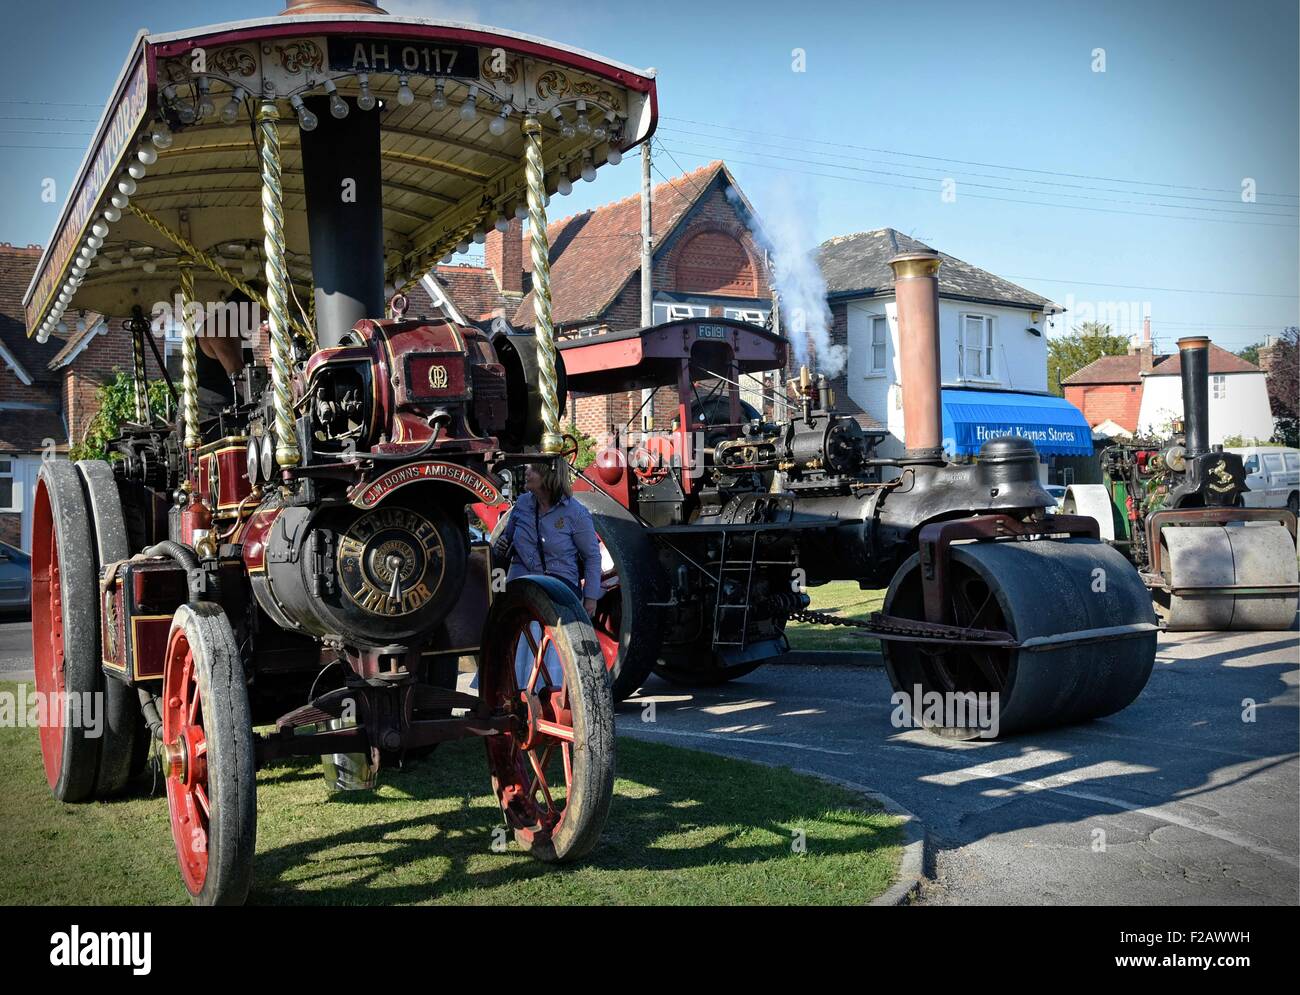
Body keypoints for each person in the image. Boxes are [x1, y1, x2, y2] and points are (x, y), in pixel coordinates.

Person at [491, 461, 604, 689]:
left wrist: (590, 597)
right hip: (521, 587)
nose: (526, 471)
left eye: (532, 468)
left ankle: (548, 695)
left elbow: (592, 557)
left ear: (547, 476)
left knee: (552, 647)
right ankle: (509, 694)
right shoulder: (522, 504)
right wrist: (501, 546)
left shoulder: (575, 513)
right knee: (514, 638)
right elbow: (506, 540)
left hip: (558, 589)